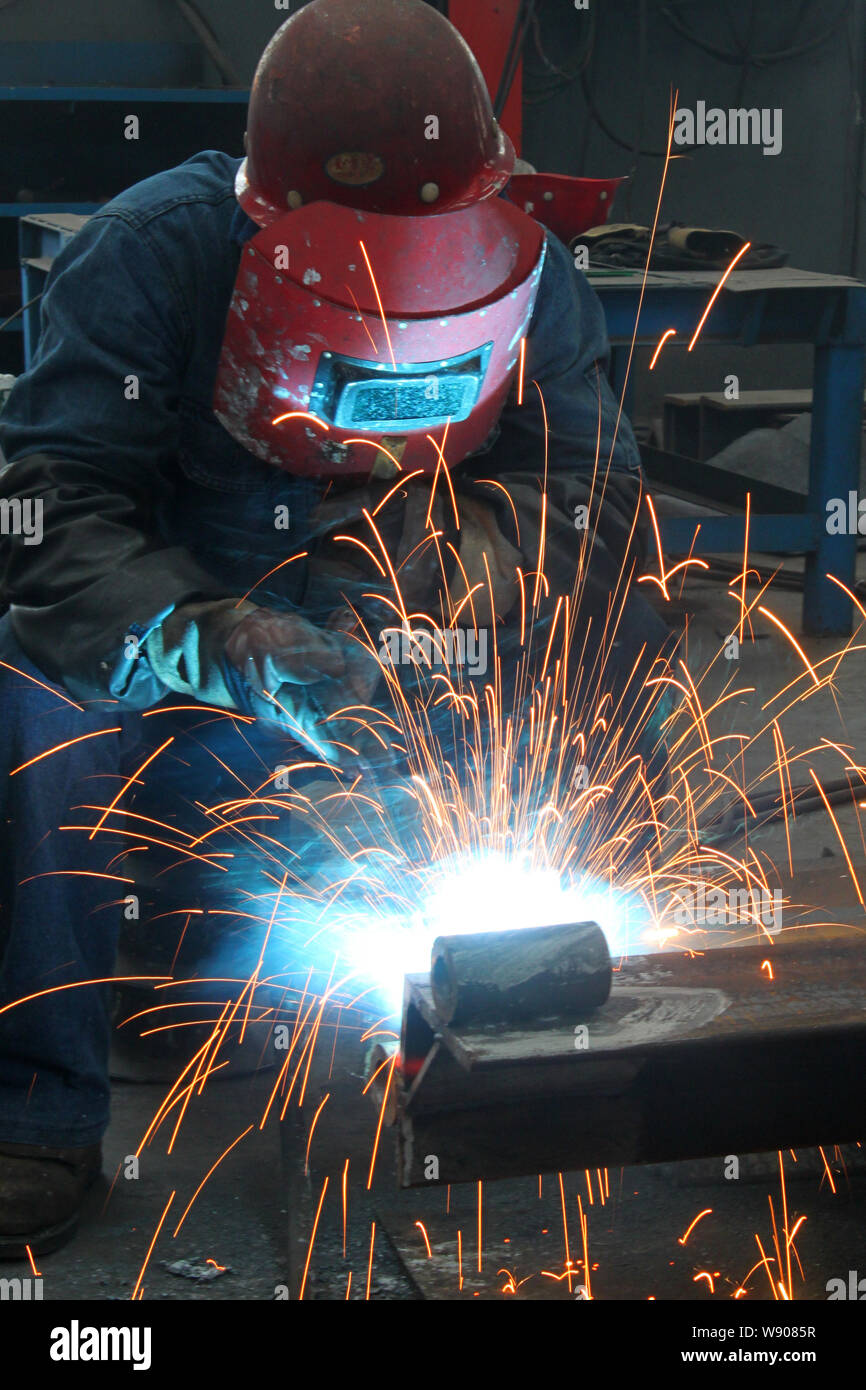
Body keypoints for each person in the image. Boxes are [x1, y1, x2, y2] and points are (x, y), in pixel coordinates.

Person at [0, 0, 665, 1256]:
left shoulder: (530, 267)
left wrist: (463, 565)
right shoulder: (154, 252)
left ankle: (467, 1034)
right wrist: (220, 640)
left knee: (591, 641)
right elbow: (46, 516)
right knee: (31, 691)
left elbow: (598, 494)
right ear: (265, 221)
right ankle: (36, 1110)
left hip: (393, 665)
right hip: (184, 683)